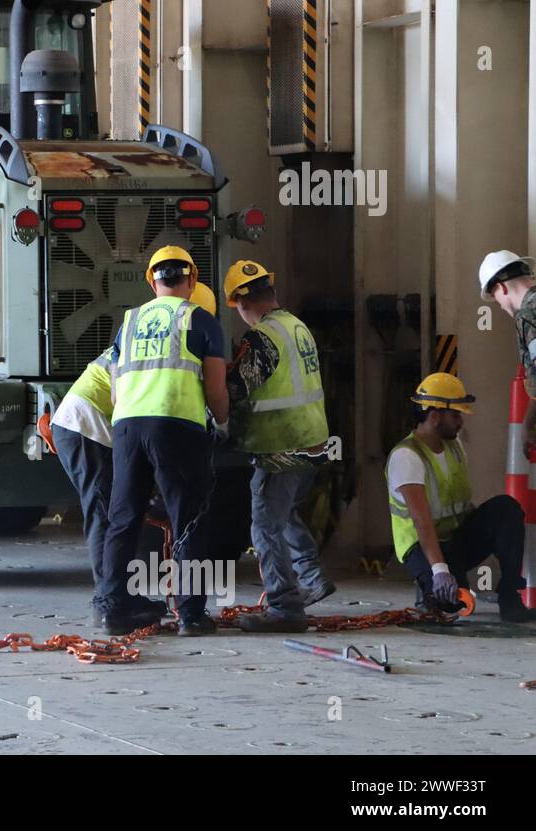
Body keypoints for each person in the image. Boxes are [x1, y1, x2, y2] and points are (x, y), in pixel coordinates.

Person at [46, 282, 220, 628]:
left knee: (120, 516)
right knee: (106, 513)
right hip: (86, 424)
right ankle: (109, 604)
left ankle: (119, 599)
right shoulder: (182, 341)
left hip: (102, 425)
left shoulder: (146, 338)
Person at [102, 246, 229, 637]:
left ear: (152, 280)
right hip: (175, 426)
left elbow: (115, 382)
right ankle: (190, 615)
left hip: (127, 426)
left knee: (123, 518)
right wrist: (222, 422)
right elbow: (215, 388)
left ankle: (114, 610)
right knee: (187, 518)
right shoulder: (199, 319)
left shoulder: (130, 320)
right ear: (191, 280)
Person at [220, 260, 335, 633]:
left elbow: (237, 389)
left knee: (265, 524)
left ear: (242, 301)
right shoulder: (296, 326)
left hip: (281, 444)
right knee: (283, 514)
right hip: (312, 441)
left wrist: (215, 375)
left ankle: (285, 607)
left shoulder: (262, 337)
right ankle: (312, 576)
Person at [387, 373, 535, 622]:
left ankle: (510, 598)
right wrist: (440, 571)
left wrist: (488, 529)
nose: (461, 422)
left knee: (506, 509)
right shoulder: (407, 457)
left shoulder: (454, 447)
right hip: (422, 548)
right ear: (434, 416)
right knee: (450, 606)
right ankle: (429, 590)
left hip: (453, 540)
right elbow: (422, 523)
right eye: (455, 415)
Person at [478, 250, 536, 448]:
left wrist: (527, 425)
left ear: (502, 288)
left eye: (496, 299)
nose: (501, 307)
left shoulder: (529, 314)